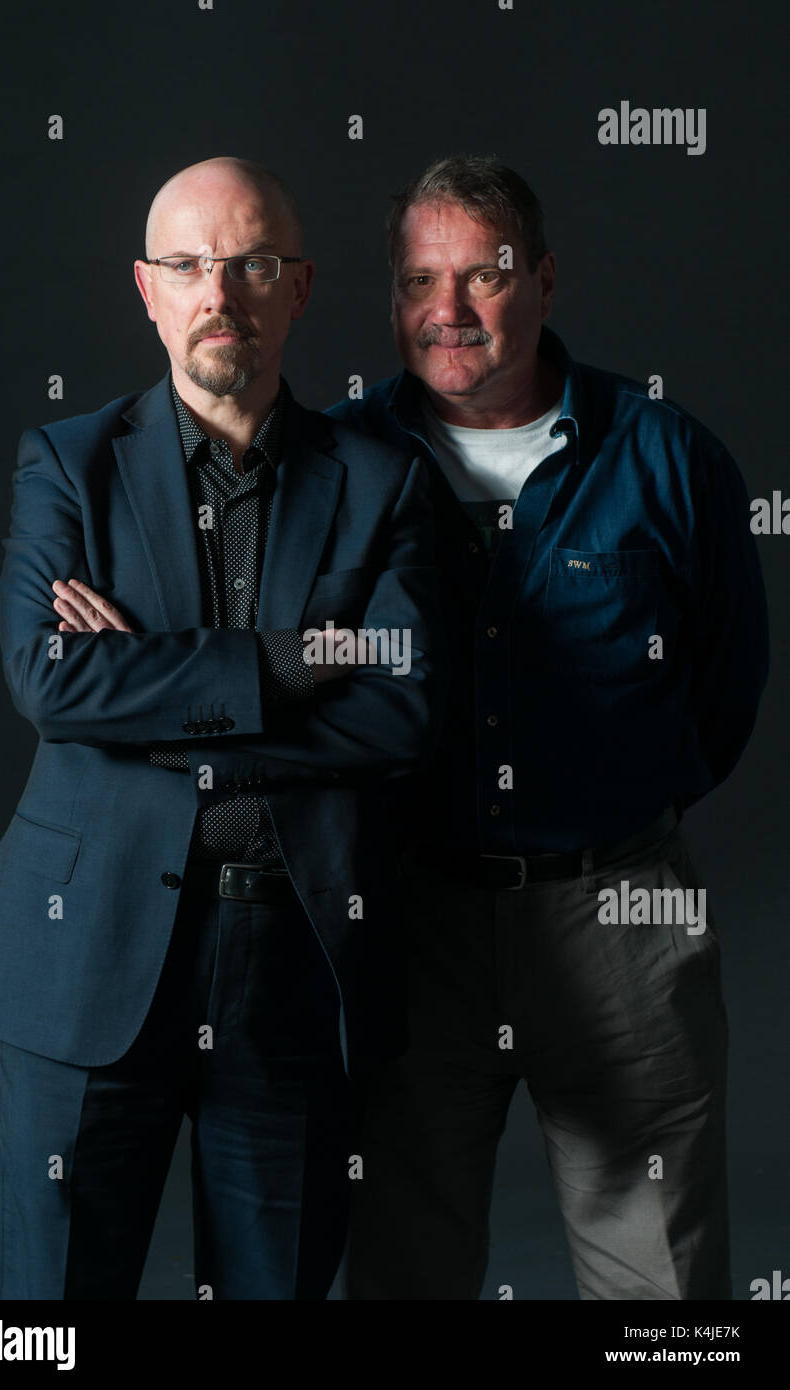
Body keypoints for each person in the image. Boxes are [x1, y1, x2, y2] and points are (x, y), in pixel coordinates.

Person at [0, 156, 441, 1301]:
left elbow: (400, 706)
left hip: (291, 961)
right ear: (147, 289)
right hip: (83, 953)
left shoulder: (383, 480)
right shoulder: (66, 463)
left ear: (299, 287)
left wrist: (151, 695)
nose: (218, 290)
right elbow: (49, 678)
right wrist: (284, 663)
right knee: (51, 1319)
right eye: (188, 264)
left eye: (251, 263)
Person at [328, 153, 769, 1300]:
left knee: (658, 1287)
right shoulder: (337, 458)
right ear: (390, 295)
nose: (448, 310)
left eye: (484, 275)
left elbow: (724, 688)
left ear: (545, 282)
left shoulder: (666, 455)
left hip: (618, 912)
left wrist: (603, 818)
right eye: (420, 279)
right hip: (411, 919)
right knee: (401, 1266)